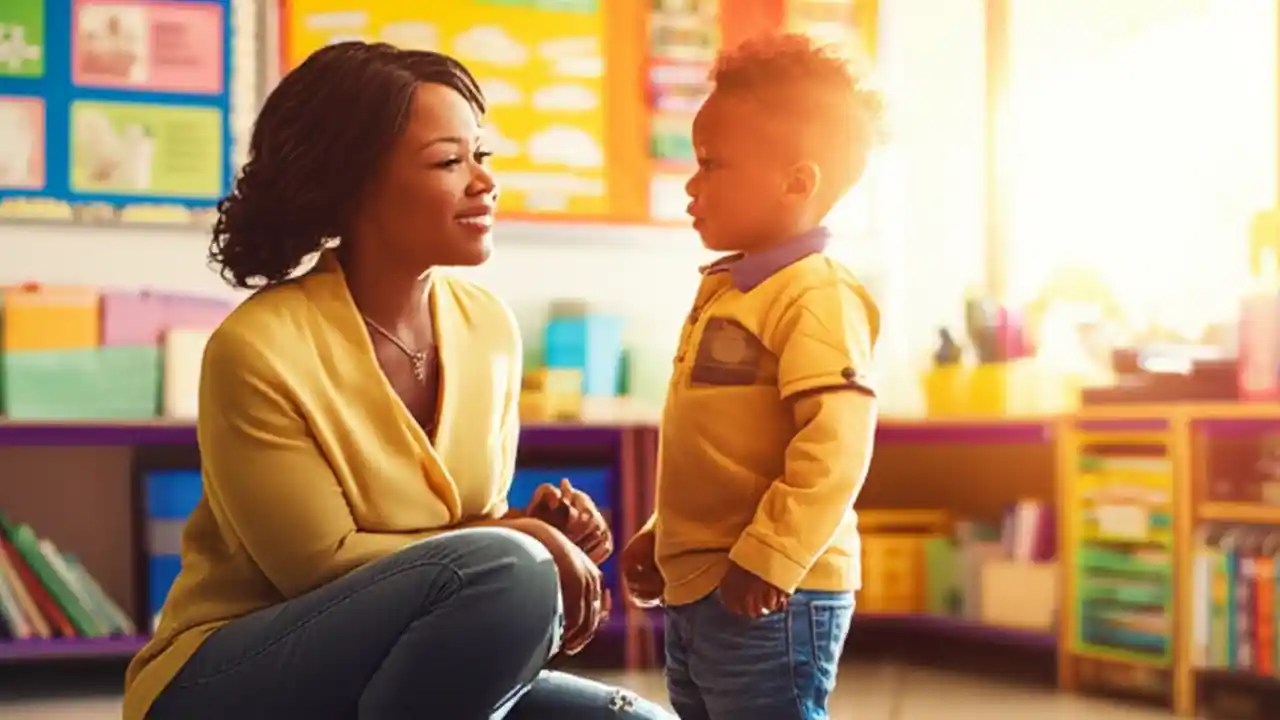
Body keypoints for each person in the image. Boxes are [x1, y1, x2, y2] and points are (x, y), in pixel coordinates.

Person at [123, 41, 672, 720]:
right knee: (513, 574)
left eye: (483, 156)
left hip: (395, 670)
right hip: (226, 678)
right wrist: (526, 543)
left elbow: (464, 531)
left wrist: (531, 525)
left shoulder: (488, 327)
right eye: (449, 161)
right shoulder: (257, 347)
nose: (484, 182)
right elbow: (319, 568)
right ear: (352, 185)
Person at [621, 33, 883, 720]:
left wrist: (773, 555)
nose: (690, 182)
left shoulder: (817, 294)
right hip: (704, 580)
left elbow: (835, 449)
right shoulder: (729, 290)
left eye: (711, 164)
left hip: (775, 589)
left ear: (798, 182)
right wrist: (663, 530)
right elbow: (724, 454)